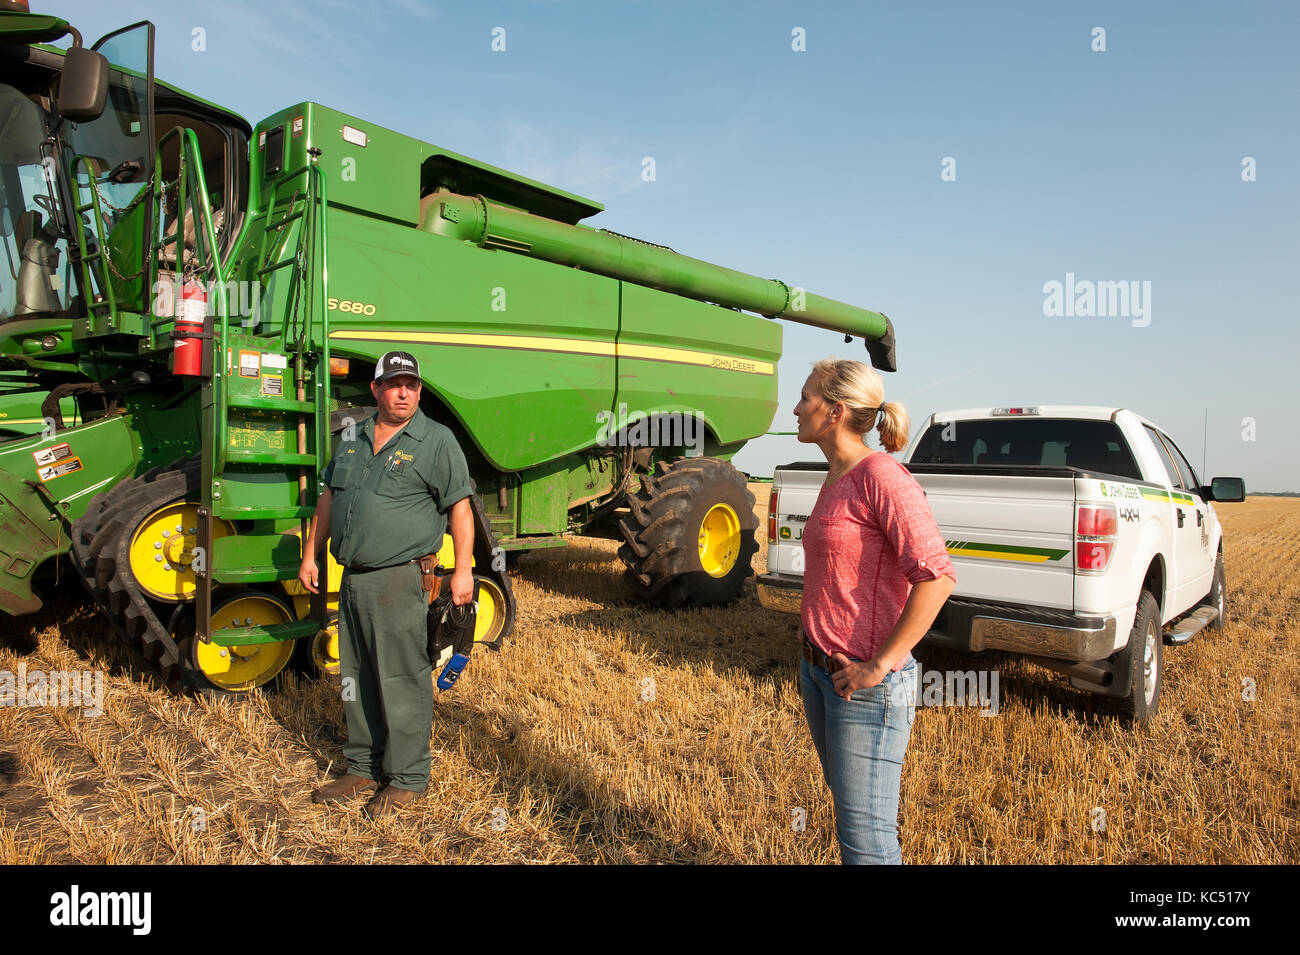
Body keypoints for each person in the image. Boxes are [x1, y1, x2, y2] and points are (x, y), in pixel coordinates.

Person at [298, 350, 476, 820]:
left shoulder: (437, 440)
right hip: (354, 578)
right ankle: (362, 766)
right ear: (375, 389)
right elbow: (329, 498)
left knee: (401, 678)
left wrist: (463, 570)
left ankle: (407, 778)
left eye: (411, 385)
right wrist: (310, 555)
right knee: (356, 676)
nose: (403, 392)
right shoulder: (353, 436)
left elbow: (460, 507)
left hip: (403, 577)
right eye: (394, 384)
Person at [793, 358, 956, 864]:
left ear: (835, 411)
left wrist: (881, 664)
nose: (796, 409)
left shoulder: (882, 476)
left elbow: (938, 576)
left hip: (864, 687)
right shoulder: (837, 474)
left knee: (867, 845)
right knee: (850, 822)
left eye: (806, 399)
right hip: (819, 673)